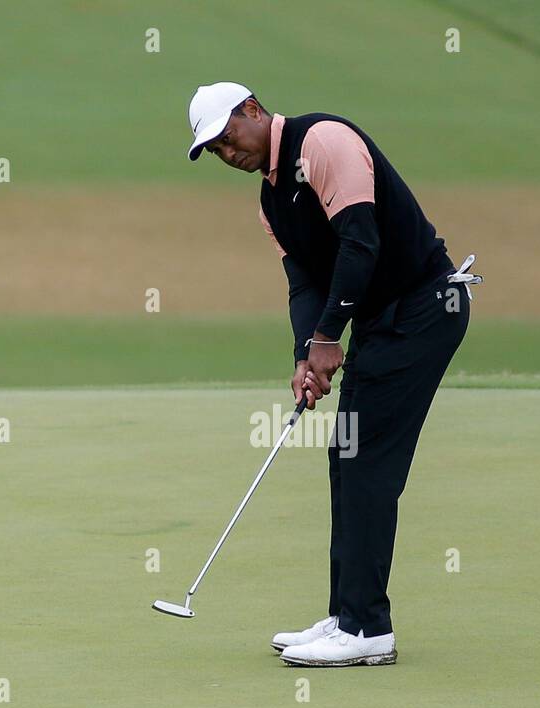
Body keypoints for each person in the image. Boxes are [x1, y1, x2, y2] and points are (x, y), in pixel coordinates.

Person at [185, 82, 480, 666]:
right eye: (215, 150)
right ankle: (349, 613)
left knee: (365, 457)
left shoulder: (323, 140)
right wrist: (305, 352)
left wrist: (328, 338)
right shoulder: (271, 201)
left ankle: (367, 627)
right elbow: (306, 283)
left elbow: (360, 243)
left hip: (424, 308)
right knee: (347, 454)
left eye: (228, 137)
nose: (227, 153)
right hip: (383, 319)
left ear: (252, 110)